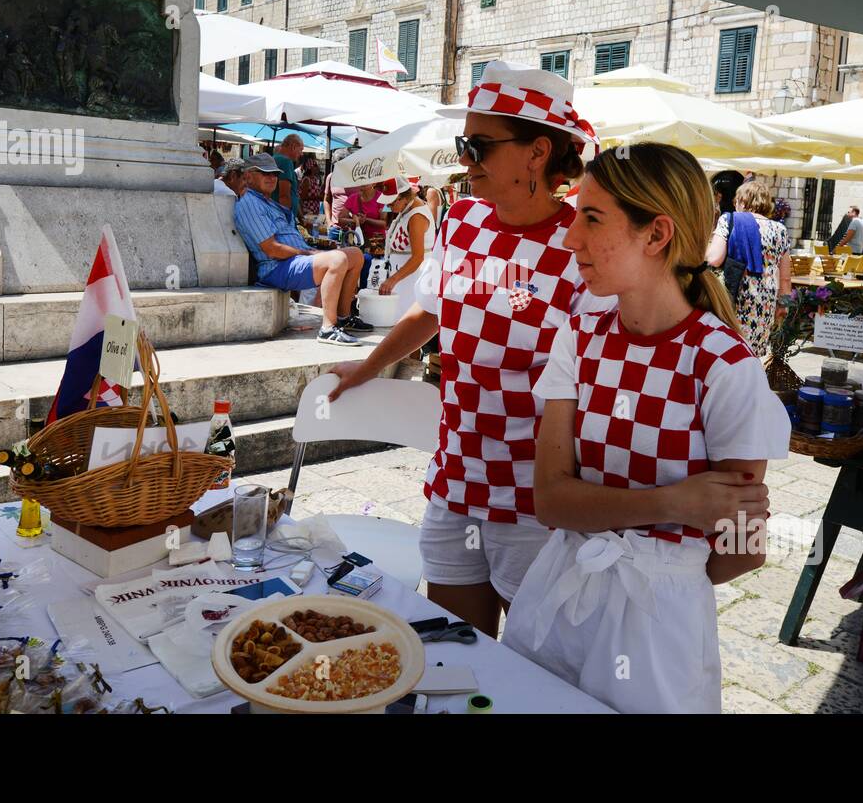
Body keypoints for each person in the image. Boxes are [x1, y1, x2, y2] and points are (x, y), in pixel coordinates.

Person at [326, 60, 614, 636]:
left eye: (478, 145)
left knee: (539, 659)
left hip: (536, 493)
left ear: (537, 153)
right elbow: (430, 309)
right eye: (464, 143)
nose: (464, 159)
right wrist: (370, 364)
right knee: (460, 647)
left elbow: (599, 381)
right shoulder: (461, 220)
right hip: (458, 472)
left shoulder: (582, 244)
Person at [501, 142, 787, 713]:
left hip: (659, 625)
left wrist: (664, 569)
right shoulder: (577, 336)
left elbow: (743, 547)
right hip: (567, 590)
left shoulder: (723, 366)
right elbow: (552, 500)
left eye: (591, 217)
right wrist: (675, 505)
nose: (569, 238)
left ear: (655, 235)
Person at [233, 153, 372, 346]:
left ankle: (343, 317)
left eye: (274, 173)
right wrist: (307, 252)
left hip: (292, 261)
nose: (272, 177)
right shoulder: (249, 203)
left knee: (357, 255)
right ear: (247, 176)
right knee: (337, 260)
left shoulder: (266, 202)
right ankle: (328, 329)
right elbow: (271, 249)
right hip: (275, 267)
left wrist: (308, 250)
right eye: (265, 173)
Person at [706, 180, 793, 358]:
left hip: (734, 296)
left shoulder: (729, 220)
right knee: (750, 355)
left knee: (725, 351)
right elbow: (785, 277)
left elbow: (714, 259)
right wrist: (783, 304)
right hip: (764, 303)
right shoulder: (780, 230)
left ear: (741, 201)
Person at [374, 177, 436, 309]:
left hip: (411, 279)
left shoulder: (417, 217)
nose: (389, 207)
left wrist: (393, 279)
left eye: (391, 203)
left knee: (403, 317)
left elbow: (418, 257)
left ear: (403, 198)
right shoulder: (407, 209)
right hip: (404, 277)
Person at [273, 134, 304, 214]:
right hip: (281, 215)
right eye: (301, 150)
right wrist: (288, 219)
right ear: (293, 146)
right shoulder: (286, 161)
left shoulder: (275, 158)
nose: (301, 154)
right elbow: (284, 195)